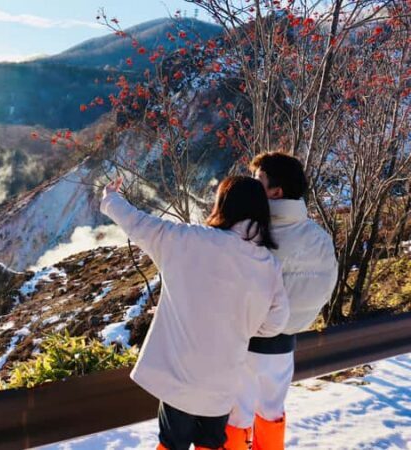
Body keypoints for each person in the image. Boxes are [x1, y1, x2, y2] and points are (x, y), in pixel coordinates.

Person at [100, 174, 290, 450]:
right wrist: (243, 326)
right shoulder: (268, 265)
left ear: (223, 206)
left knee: (172, 443)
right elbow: (276, 322)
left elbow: (138, 223)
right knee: (211, 443)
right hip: (223, 380)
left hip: (180, 376)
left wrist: (110, 199)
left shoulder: (187, 239)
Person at [226, 153, 338, 450]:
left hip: (246, 343)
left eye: (257, 180)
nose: (251, 185)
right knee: (271, 413)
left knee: (237, 417)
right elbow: (324, 287)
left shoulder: (250, 233)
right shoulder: (320, 238)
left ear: (275, 192)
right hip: (284, 345)